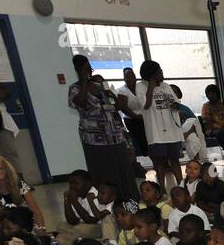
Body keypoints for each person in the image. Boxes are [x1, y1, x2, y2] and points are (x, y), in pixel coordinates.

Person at [68, 56, 138, 203]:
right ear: (77, 70)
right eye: (82, 68)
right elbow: (81, 102)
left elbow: (118, 107)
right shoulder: (75, 89)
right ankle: (106, 204)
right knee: (103, 171)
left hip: (115, 136)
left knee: (123, 170)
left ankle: (129, 203)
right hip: (95, 140)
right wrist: (83, 81)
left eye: (87, 67)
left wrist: (110, 93)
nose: (86, 70)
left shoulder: (100, 86)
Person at [135, 60, 184, 191]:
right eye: (159, 72)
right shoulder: (141, 86)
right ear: (152, 75)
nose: (162, 74)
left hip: (172, 131)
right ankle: (162, 190)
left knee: (175, 160)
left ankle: (182, 186)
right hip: (156, 133)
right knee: (160, 162)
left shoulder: (166, 86)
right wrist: (151, 86)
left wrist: (174, 105)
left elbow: (176, 104)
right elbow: (146, 105)